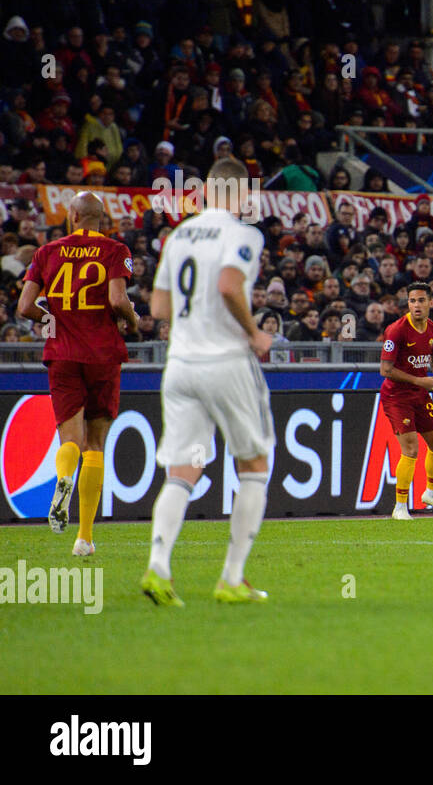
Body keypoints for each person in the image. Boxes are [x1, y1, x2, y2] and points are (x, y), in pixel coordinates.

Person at [142, 158, 275, 606]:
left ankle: (158, 569)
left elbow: (158, 308)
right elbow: (227, 283)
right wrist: (254, 333)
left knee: (182, 471)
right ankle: (231, 578)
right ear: (240, 193)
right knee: (254, 465)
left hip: (179, 365)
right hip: (225, 363)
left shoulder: (178, 236)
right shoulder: (243, 234)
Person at [17, 192, 138, 556]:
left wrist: (48, 318)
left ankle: (64, 476)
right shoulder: (116, 250)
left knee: (69, 439)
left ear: (72, 215)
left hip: (63, 352)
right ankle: (84, 538)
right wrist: (132, 319)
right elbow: (118, 300)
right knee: (96, 445)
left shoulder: (47, 252)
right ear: (100, 218)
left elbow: (25, 306)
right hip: (102, 353)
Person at [379, 281, 433, 521]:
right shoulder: (396, 330)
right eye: (412, 301)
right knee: (411, 449)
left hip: (420, 394)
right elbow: (385, 369)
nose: (416, 305)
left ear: (431, 303)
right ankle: (400, 506)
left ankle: (431, 493)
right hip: (397, 396)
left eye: (421, 300)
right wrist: (419, 381)